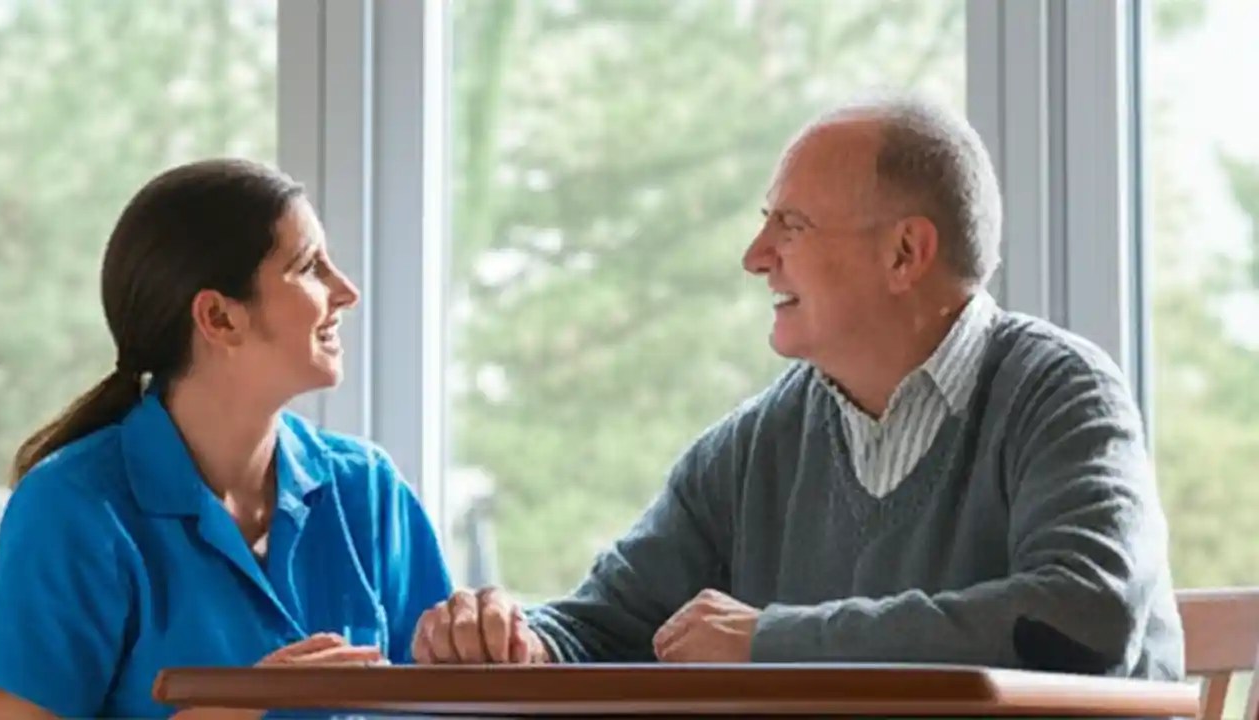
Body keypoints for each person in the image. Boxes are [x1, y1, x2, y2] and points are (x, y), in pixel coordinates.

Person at [411, 94, 1185, 678]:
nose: (755, 255)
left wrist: (771, 640)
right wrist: (511, 638)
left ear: (905, 253)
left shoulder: (1062, 393)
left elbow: (1083, 618)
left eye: (792, 226)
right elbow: (605, 626)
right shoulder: (754, 448)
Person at [0, 159, 453, 718]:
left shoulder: (369, 491)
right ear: (219, 318)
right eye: (309, 267)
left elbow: (444, 699)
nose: (345, 291)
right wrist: (231, 711)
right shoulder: (71, 508)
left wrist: (490, 638)